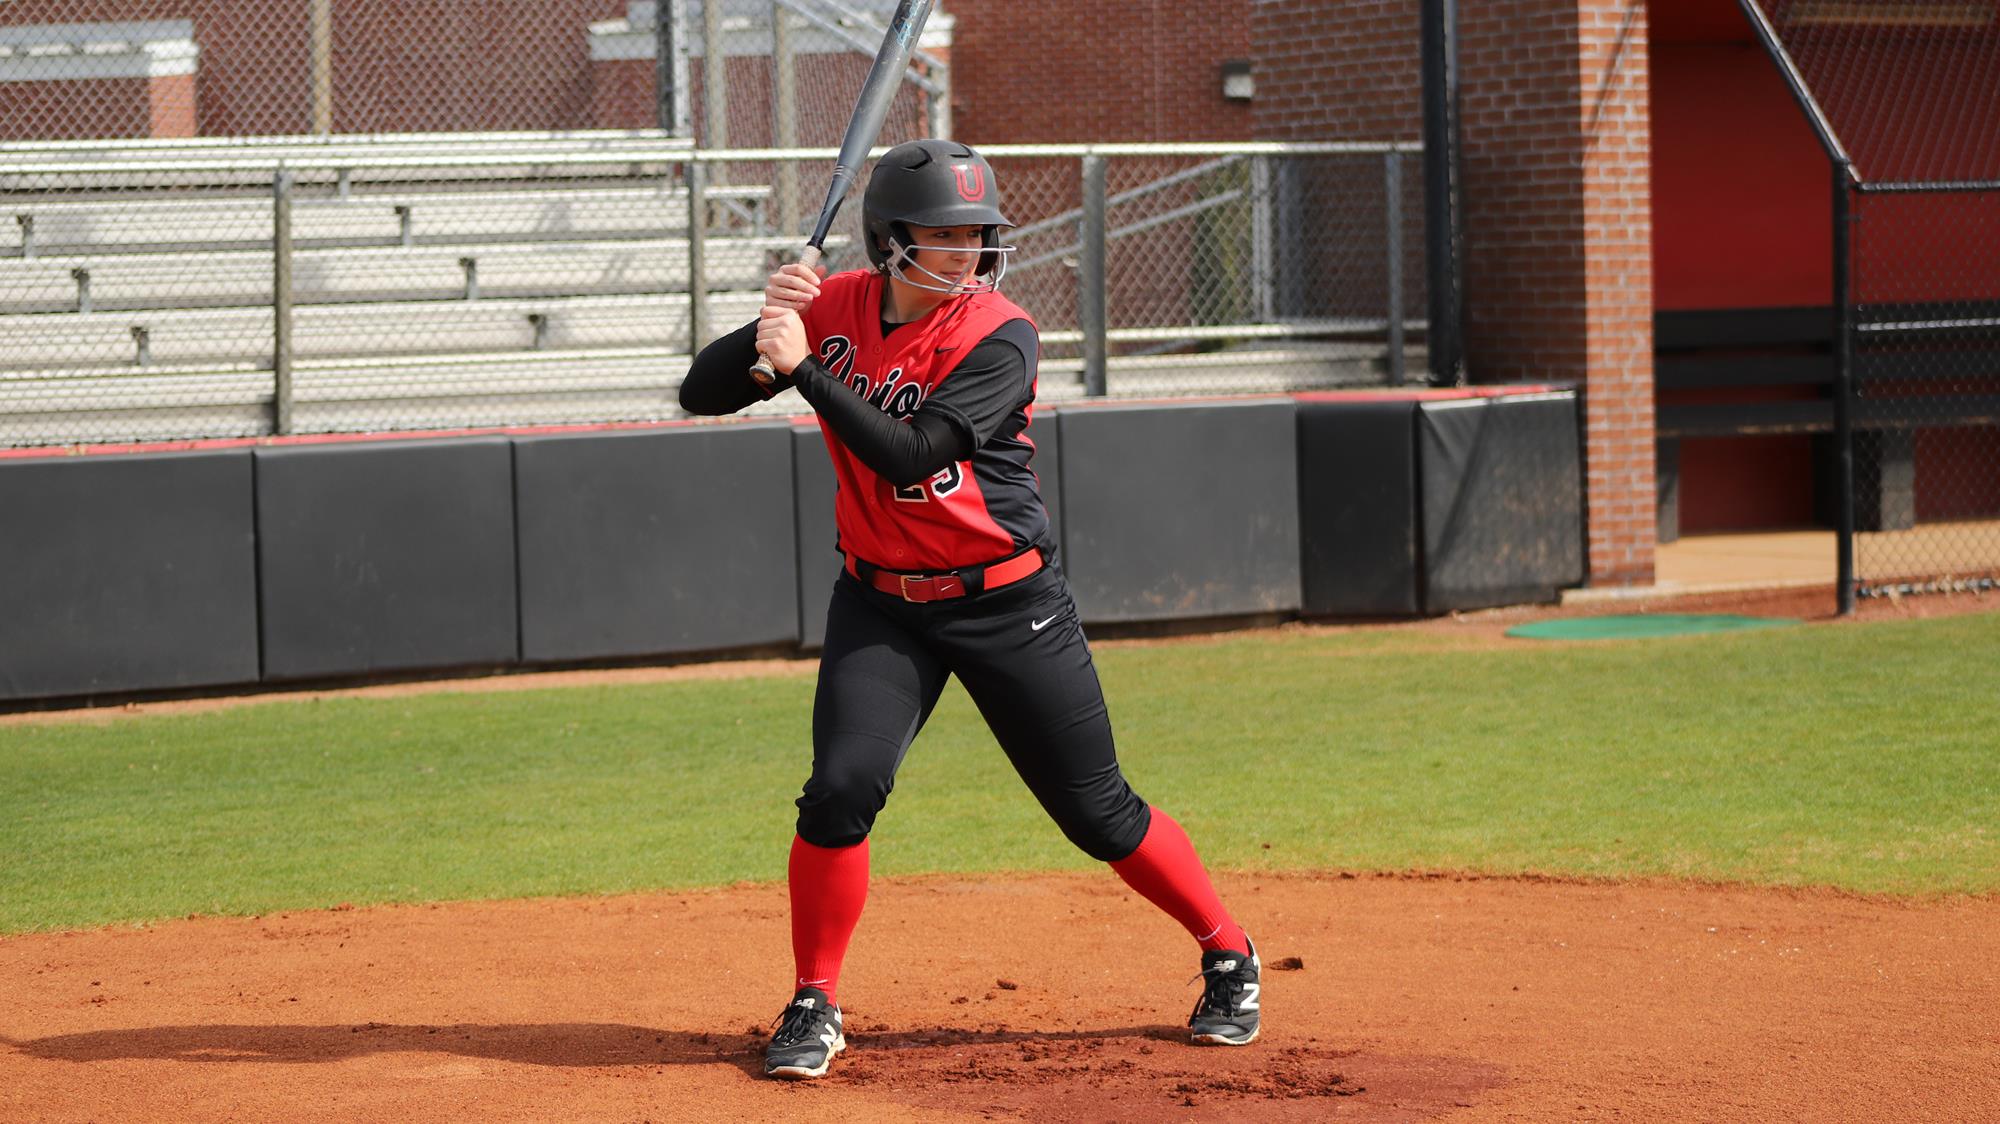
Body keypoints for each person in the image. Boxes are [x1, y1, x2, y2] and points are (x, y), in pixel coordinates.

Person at [678, 138, 1260, 1081]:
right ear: (889, 238)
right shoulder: (835, 309)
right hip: (882, 602)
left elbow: (912, 454)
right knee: (839, 789)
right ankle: (814, 1000)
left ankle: (1228, 949)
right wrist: (767, 328)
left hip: (1006, 600)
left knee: (1098, 814)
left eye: (980, 234)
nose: (970, 252)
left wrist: (808, 372)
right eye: (947, 235)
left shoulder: (1002, 333)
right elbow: (699, 394)